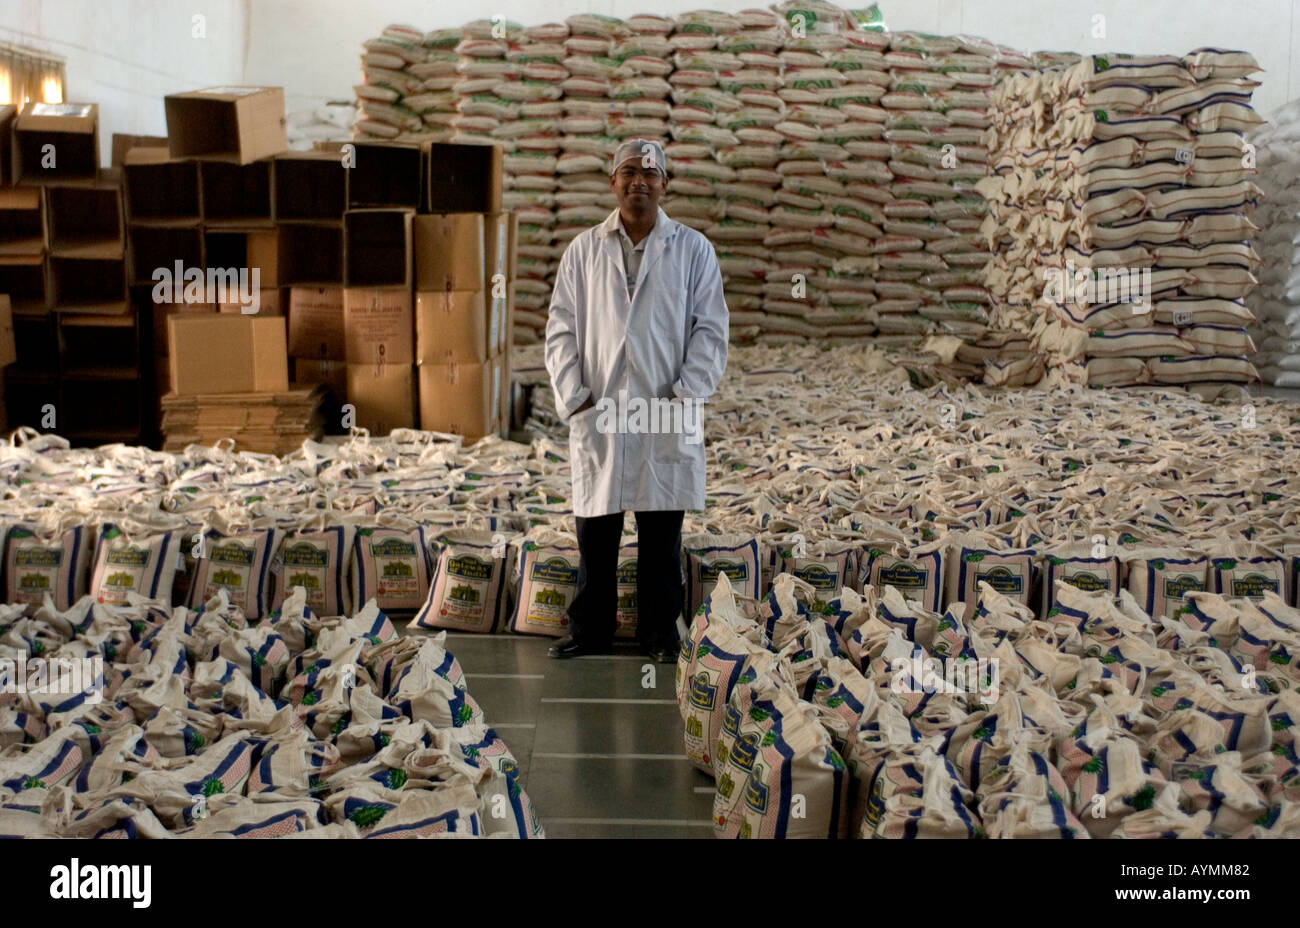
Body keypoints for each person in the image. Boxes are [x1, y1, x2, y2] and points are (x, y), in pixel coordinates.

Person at [544, 138, 729, 662]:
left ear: (665, 184)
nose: (638, 182)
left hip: (665, 407)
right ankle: (590, 630)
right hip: (599, 406)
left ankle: (660, 634)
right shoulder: (584, 250)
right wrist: (575, 397)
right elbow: (560, 328)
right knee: (595, 531)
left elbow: (710, 329)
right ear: (612, 182)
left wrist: (687, 393)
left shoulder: (693, 249)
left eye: (650, 174)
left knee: (661, 531)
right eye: (628, 172)